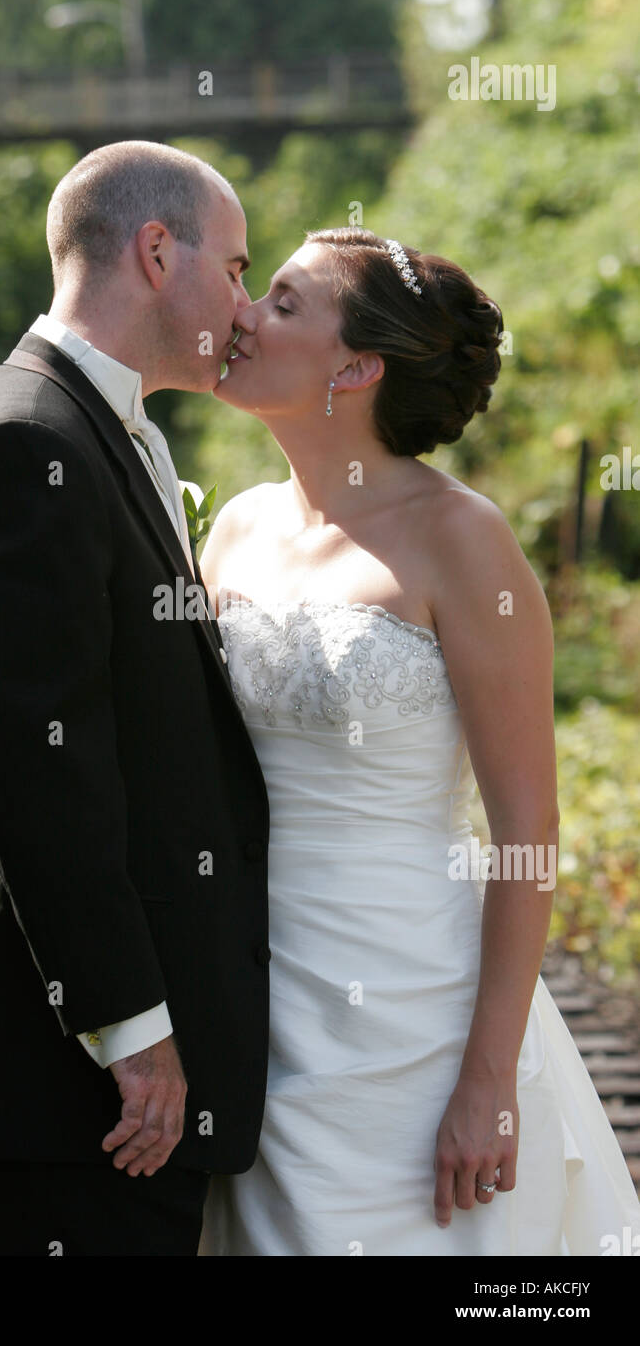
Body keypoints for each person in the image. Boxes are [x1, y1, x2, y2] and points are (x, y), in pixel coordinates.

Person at [197, 226, 640, 1255]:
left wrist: (486, 1075)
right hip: (256, 999)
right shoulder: (233, 531)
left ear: (355, 368)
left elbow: (526, 824)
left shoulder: (461, 539)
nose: (243, 315)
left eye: (284, 302)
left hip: (417, 1012)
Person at [0, 141, 271, 1256]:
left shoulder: (93, 426)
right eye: (236, 267)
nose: (243, 302)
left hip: (90, 1097)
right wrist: (133, 1033)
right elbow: (37, 770)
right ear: (157, 251)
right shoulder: (22, 444)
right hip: (60, 1089)